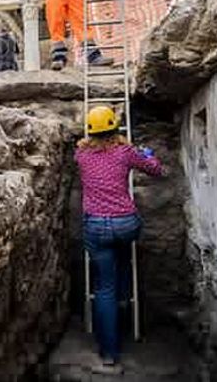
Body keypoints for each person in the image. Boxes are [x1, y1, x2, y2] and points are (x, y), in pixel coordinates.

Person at [75, 106, 163, 374]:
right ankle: (125, 299)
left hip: (96, 227)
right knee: (123, 256)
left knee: (104, 288)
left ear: (90, 129)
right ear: (115, 127)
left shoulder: (80, 155)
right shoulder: (125, 152)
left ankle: (109, 354)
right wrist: (148, 155)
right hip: (126, 224)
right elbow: (156, 170)